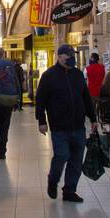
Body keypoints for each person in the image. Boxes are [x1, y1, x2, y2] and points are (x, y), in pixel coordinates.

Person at [35, 45, 96, 203]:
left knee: (76, 160)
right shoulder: (49, 76)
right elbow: (40, 100)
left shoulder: (77, 75)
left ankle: (70, 190)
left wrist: (93, 118)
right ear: (60, 57)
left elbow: (86, 98)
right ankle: (53, 180)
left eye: (72, 55)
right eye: (68, 56)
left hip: (78, 125)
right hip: (59, 126)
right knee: (62, 155)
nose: (71, 59)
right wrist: (41, 121)